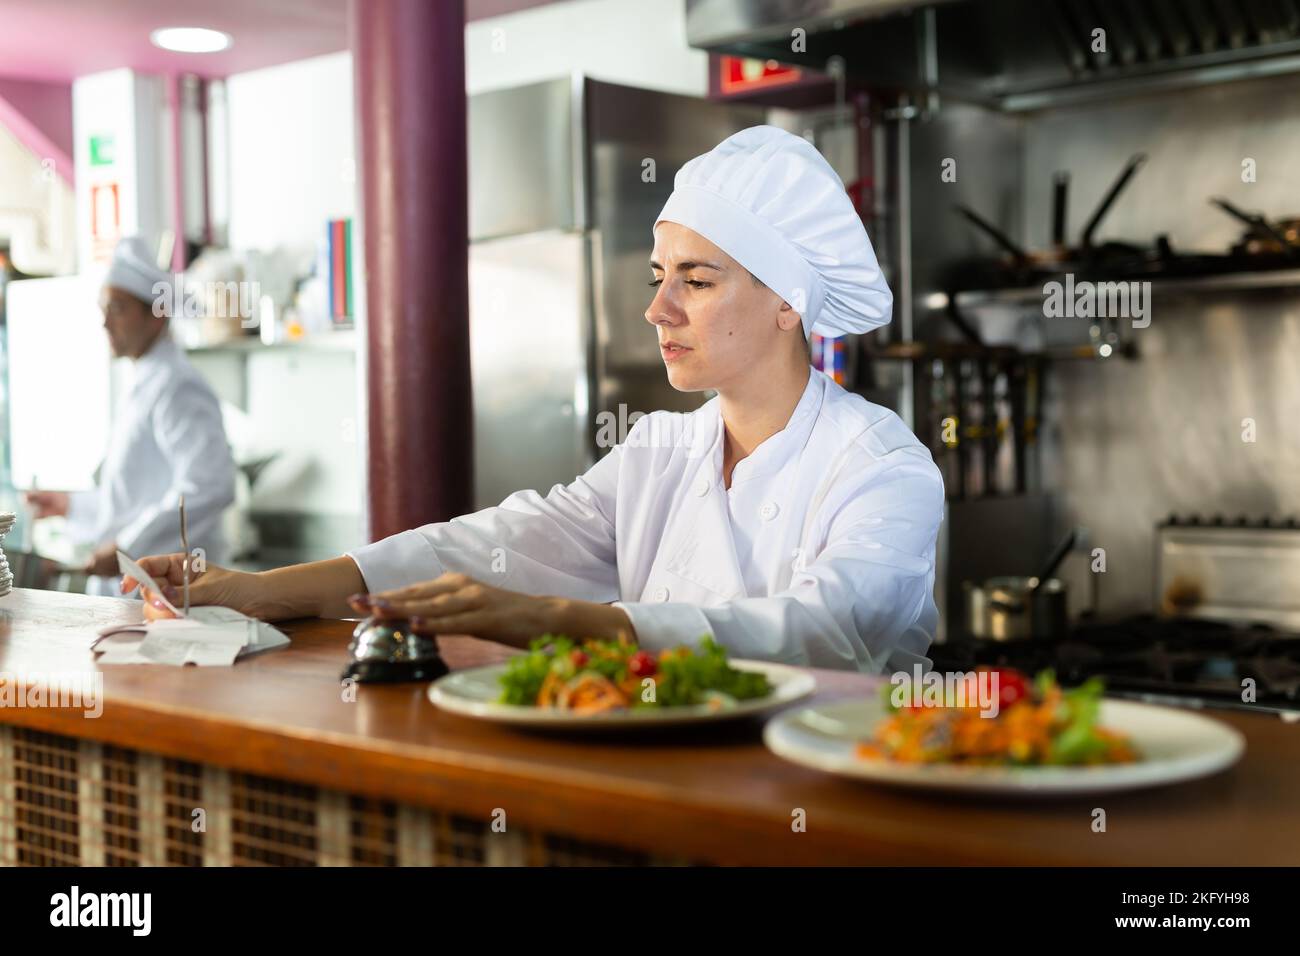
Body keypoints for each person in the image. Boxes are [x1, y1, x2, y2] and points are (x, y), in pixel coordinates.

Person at [127, 126, 945, 672]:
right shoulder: (660, 449)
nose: (658, 310)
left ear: (788, 302)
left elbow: (826, 633)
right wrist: (258, 590)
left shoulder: (880, 466)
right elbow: (500, 542)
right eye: (659, 279)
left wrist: (564, 622)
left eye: (696, 280)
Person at [27, 236, 236, 597]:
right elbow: (136, 497)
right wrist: (71, 504)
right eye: (103, 309)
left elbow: (210, 486)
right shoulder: (145, 381)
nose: (105, 322)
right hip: (138, 595)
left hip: (172, 592)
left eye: (118, 308)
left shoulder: (178, 386)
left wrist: (128, 546)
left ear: (156, 316)